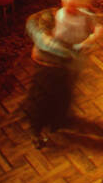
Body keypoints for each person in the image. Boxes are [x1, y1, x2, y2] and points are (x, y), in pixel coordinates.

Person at [24, 8, 75, 148]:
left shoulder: (38, 27)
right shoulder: (47, 41)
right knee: (42, 100)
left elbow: (31, 20)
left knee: (61, 96)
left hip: (54, 69)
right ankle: (37, 134)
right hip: (47, 70)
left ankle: (56, 122)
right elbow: (65, 53)